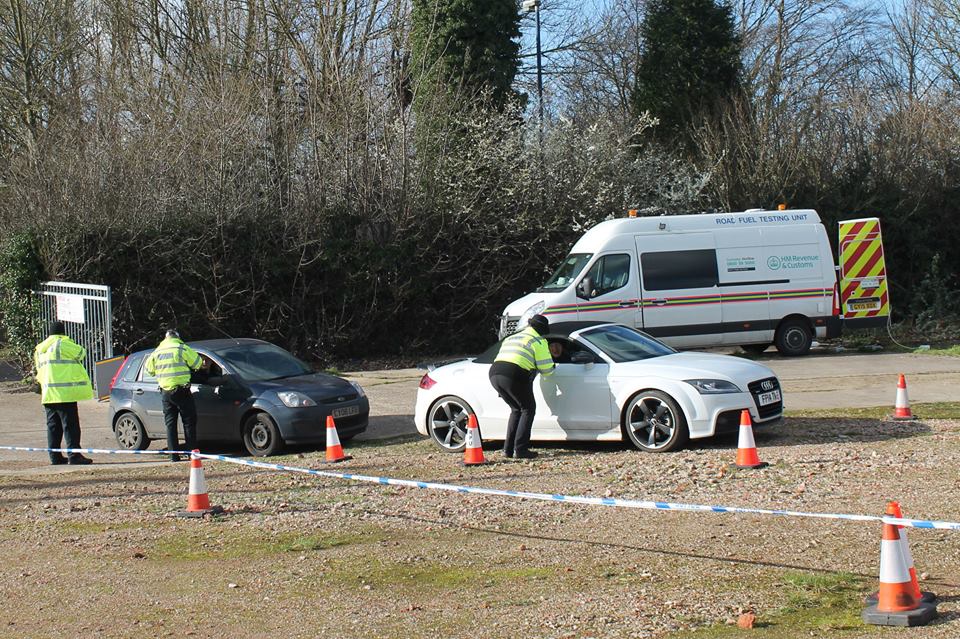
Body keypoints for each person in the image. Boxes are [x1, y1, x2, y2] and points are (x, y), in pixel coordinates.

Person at [488, 314, 555, 459]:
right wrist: (553, 365)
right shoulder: (538, 340)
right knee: (528, 409)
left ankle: (507, 450)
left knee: (516, 409)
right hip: (513, 374)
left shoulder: (513, 337)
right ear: (542, 329)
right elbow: (547, 370)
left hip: (495, 373)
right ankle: (521, 450)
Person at [33, 321, 93, 465]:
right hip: (64, 393)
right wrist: (68, 340)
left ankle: (55, 457)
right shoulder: (62, 344)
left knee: (53, 427)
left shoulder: (40, 349)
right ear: (62, 333)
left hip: (48, 394)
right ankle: (74, 455)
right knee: (70, 426)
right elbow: (81, 352)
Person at [144, 329, 203, 461]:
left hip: (166, 392)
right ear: (177, 337)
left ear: (166, 338)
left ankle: (173, 456)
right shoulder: (181, 348)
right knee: (189, 422)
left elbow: (149, 369)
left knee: (170, 425)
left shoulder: (157, 351)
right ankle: (192, 454)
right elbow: (198, 363)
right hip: (182, 390)